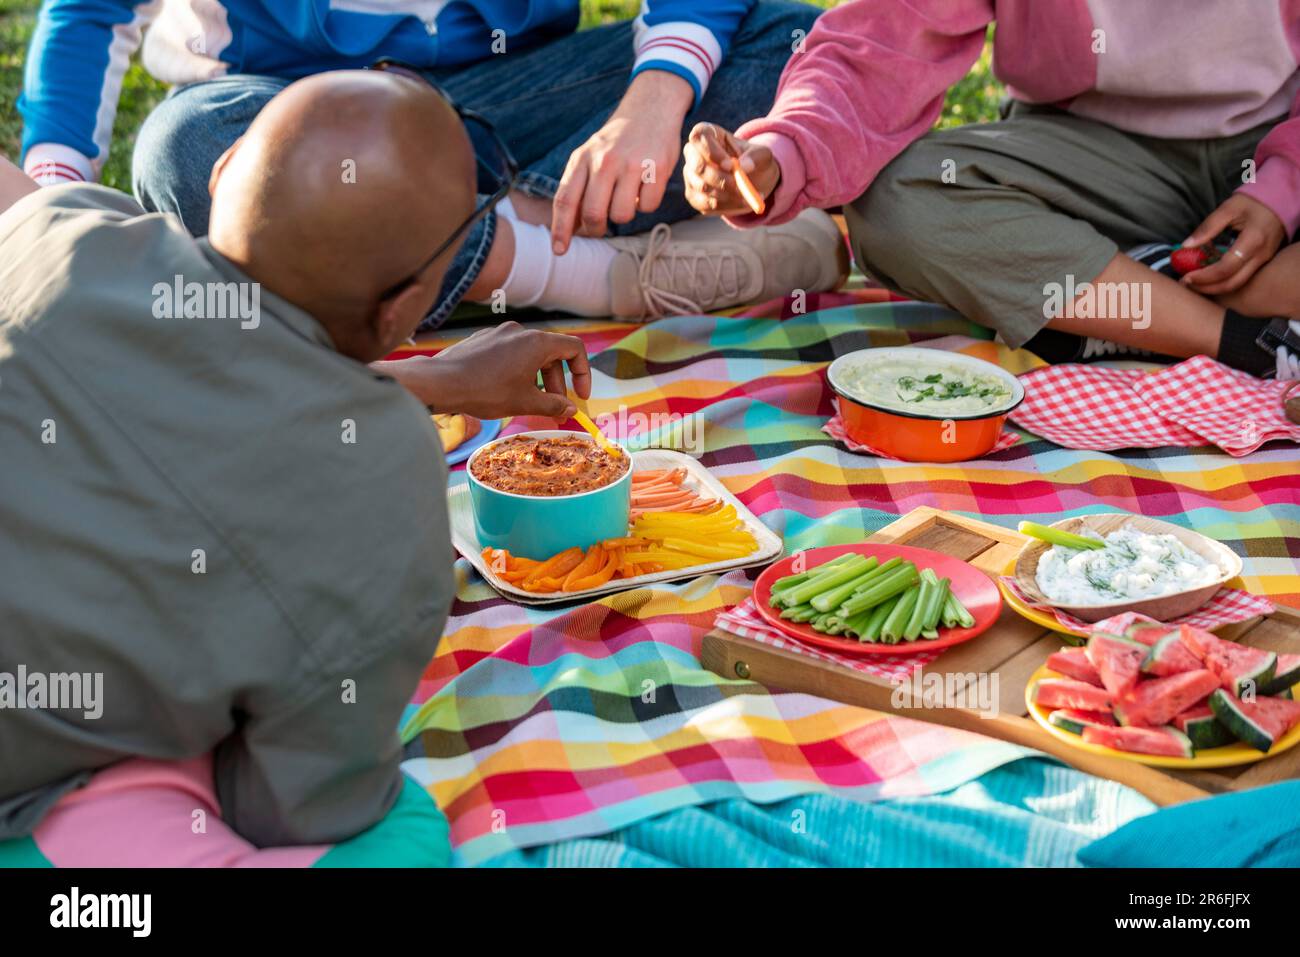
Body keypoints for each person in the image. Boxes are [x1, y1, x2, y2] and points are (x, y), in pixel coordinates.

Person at [0, 69, 591, 847]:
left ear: (218, 171)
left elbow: (193, 378)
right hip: (38, 786)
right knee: (403, 831)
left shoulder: (65, 224)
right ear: (405, 310)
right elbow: (293, 804)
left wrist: (423, 383)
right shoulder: (382, 477)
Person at [18, 0, 847, 327]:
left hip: (498, 107)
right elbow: (89, 10)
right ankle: (596, 277)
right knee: (185, 150)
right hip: (293, 120)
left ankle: (419, 261)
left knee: (789, 44)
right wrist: (51, 205)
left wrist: (655, 103)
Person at [681, 0, 1300, 378]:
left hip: (1279, 144)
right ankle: (1246, 338)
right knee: (898, 201)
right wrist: (782, 150)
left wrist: (1282, 187)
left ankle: (1116, 296)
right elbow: (881, 38)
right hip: (1088, 154)